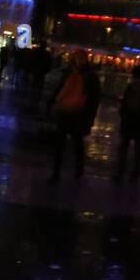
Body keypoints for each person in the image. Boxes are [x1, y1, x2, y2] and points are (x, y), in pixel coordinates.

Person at [49, 49, 100, 182]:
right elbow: (60, 88)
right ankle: (58, 171)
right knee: (63, 143)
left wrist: (90, 116)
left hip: (78, 114)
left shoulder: (82, 75)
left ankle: (76, 169)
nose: (79, 61)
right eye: (78, 58)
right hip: (67, 112)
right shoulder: (78, 74)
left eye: (81, 59)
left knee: (75, 143)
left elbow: (93, 99)